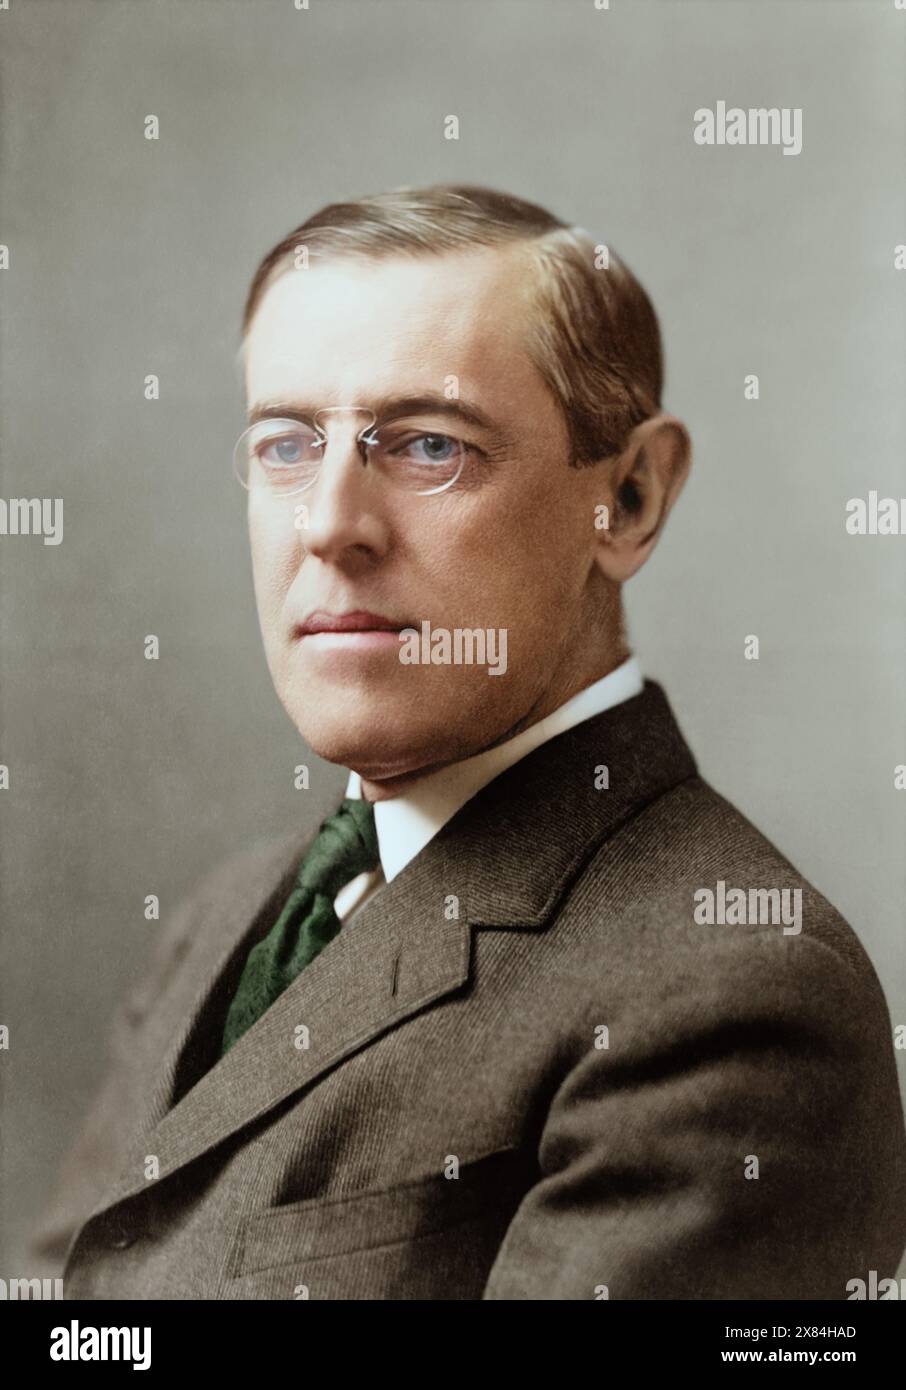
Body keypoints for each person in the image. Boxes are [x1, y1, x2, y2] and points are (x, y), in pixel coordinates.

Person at [30, 184, 906, 1299]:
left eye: (430, 445)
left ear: (627, 499)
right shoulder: (223, 920)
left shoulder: (733, 1002)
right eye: (287, 443)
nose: (329, 523)